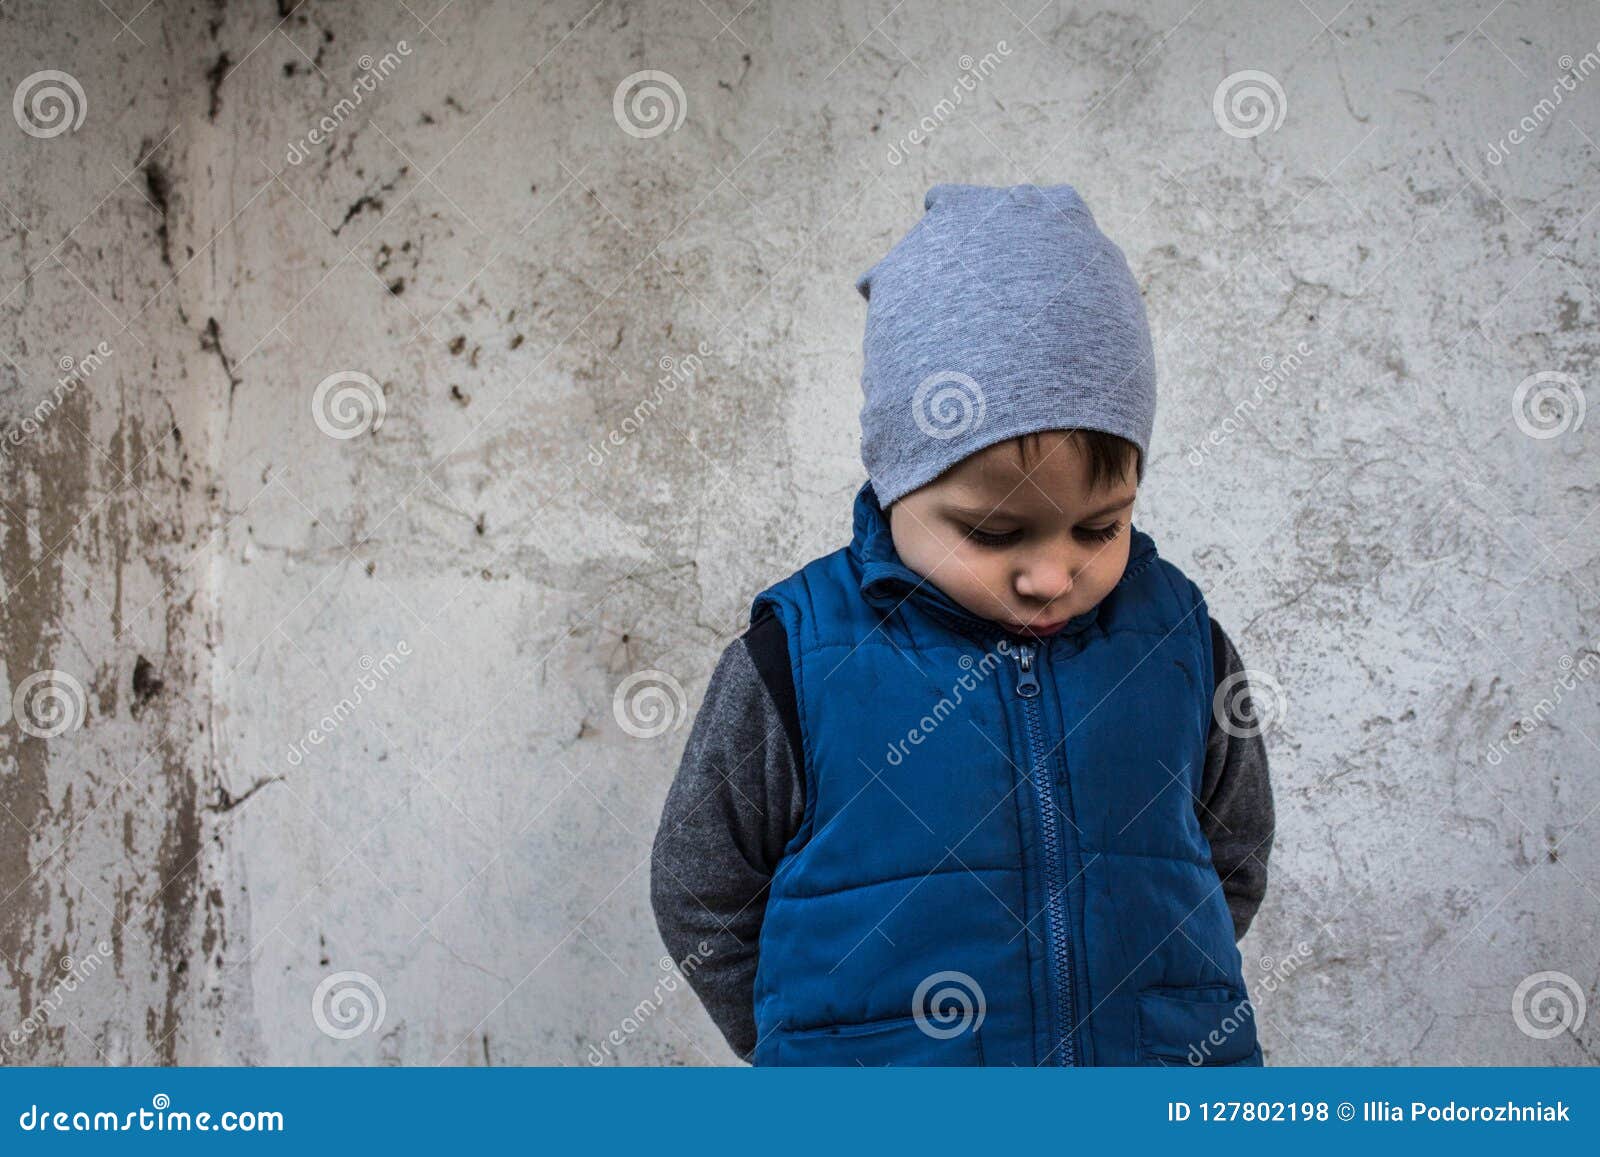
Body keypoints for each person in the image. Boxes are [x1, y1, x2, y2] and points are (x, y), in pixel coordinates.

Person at [650, 183, 1275, 1066]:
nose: (1052, 574)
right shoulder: (798, 655)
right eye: (993, 532)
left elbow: (1231, 857)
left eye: (1100, 526)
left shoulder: (1179, 636)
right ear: (897, 482)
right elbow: (700, 885)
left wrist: (1167, 1010)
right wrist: (809, 1044)